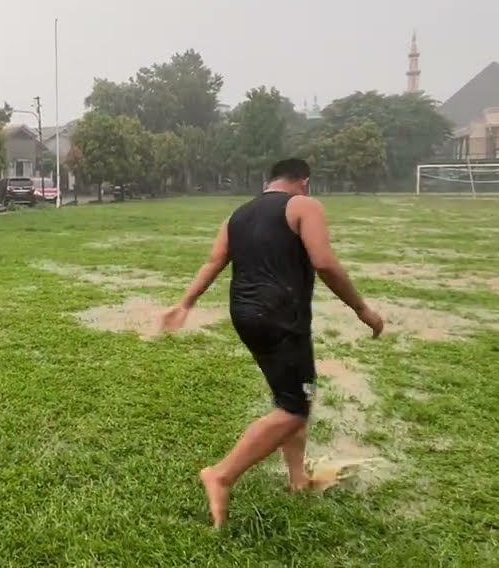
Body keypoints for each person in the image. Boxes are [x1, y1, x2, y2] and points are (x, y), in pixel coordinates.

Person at [161, 158, 384, 529]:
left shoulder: (238, 214)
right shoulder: (304, 206)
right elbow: (325, 263)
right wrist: (363, 310)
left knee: (294, 393)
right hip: (281, 317)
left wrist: (185, 303)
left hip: (246, 316)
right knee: (294, 408)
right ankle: (221, 475)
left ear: (269, 181)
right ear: (304, 182)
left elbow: (214, 262)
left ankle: (298, 479)